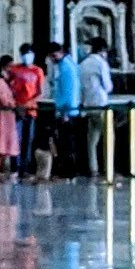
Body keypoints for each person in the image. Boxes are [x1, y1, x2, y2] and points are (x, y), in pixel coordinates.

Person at [6, 42, 46, 176]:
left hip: (30, 109)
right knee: (15, 138)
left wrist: (29, 103)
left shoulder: (37, 71)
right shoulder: (14, 70)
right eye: (24, 54)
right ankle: (14, 167)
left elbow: (40, 92)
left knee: (28, 139)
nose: (26, 57)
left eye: (28, 54)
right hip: (16, 109)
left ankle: (25, 167)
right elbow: (7, 86)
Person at [78, 35, 114, 179]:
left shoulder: (83, 64)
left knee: (92, 140)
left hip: (88, 105)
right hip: (101, 105)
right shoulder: (101, 64)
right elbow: (108, 86)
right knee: (108, 138)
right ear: (103, 50)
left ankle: (93, 169)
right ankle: (108, 168)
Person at [48, 36, 83, 178]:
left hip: (66, 111)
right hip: (67, 109)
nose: (52, 59)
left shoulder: (66, 67)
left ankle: (68, 171)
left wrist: (65, 112)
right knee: (66, 142)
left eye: (53, 56)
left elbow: (69, 90)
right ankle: (68, 170)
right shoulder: (67, 65)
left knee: (66, 143)